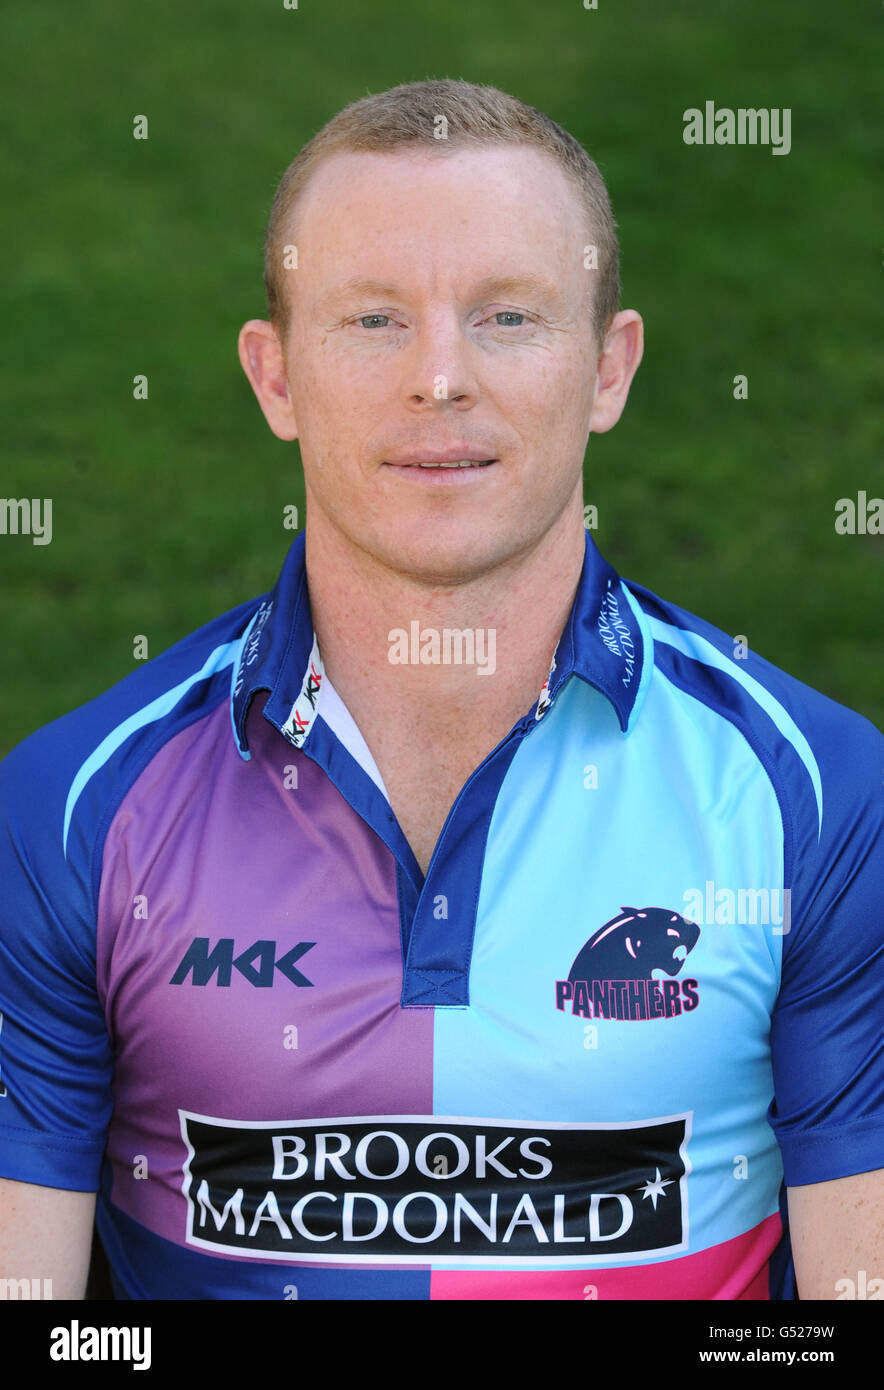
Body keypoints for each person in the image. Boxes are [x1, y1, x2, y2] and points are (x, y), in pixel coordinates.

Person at [0, 78, 882, 1302]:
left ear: (610, 367)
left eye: (507, 316)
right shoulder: (68, 812)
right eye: (371, 321)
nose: (439, 379)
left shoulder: (819, 799)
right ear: (274, 379)